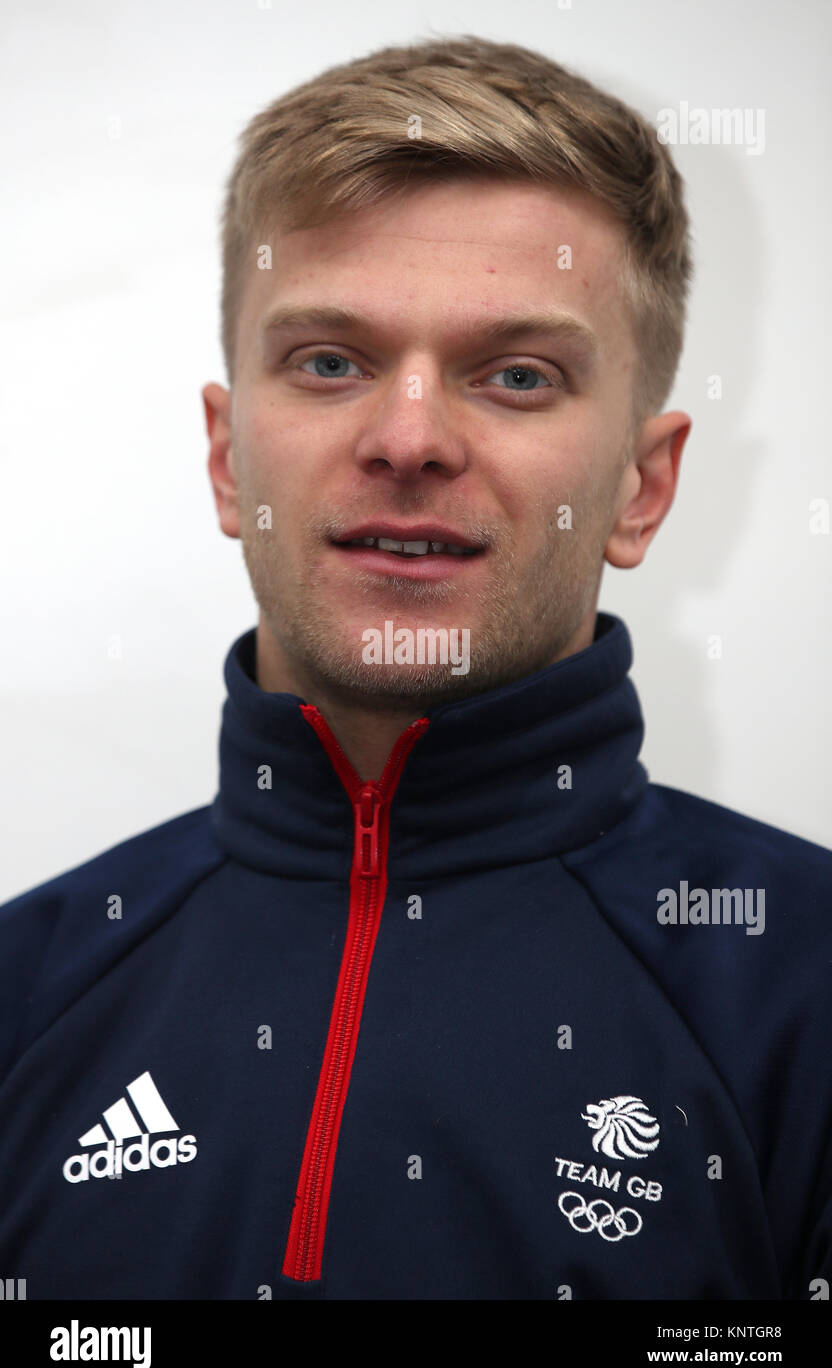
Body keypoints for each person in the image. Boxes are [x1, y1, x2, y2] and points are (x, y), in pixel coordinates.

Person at [0, 34, 829, 1302]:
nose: (407, 438)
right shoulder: (26, 987)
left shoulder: (804, 988)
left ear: (640, 488)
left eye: (516, 375)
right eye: (329, 360)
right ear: (229, 461)